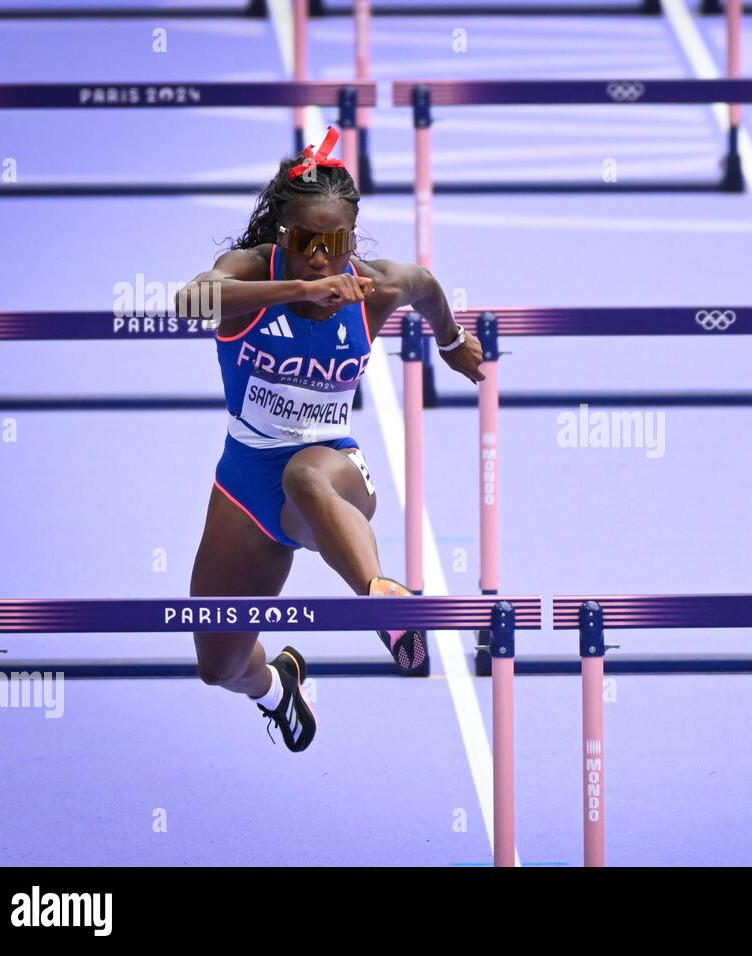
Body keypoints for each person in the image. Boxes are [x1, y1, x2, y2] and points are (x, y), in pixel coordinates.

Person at [177, 128, 485, 752]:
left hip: (332, 473)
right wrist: (299, 291)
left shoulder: (374, 288)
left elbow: (424, 285)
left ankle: (384, 601)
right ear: (283, 236)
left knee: (304, 475)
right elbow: (189, 302)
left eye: (336, 244)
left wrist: (451, 343)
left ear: (352, 238)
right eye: (307, 244)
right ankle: (278, 687)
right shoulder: (248, 276)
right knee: (218, 666)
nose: (322, 258)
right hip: (243, 484)